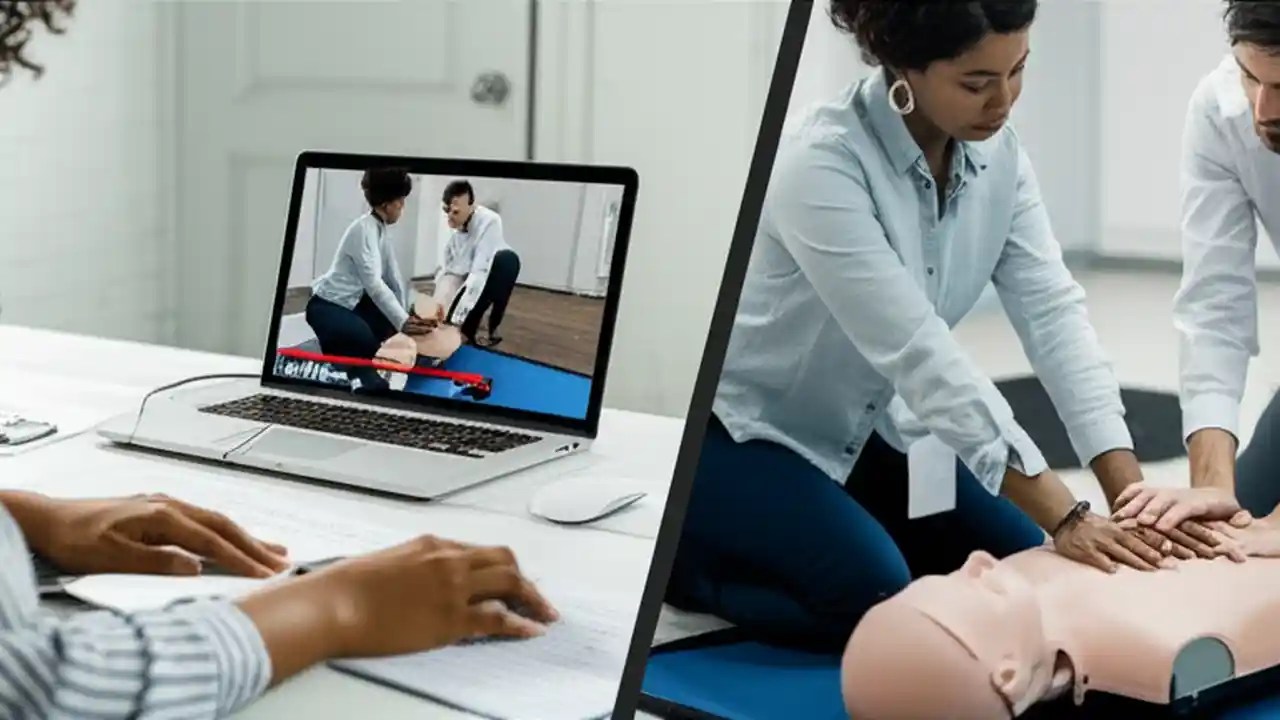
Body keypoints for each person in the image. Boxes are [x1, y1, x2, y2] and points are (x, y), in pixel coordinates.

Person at [1, 8, 556, 718]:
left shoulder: (407, 234)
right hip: (331, 309)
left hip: (380, 305)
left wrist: (25, 520)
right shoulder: (363, 233)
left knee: (395, 345)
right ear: (388, 201)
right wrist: (339, 604)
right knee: (359, 365)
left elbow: (395, 285)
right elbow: (41, 692)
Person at [663, 0, 1182, 654]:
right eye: (977, 82)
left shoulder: (1001, 160)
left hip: (871, 429)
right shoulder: (819, 166)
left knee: (1024, 565)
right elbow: (919, 352)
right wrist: (1069, 513)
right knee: (876, 595)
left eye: (1018, 70)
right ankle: (683, 564)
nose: (1005, 100)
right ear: (904, 66)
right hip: (743, 433)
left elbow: (1055, 319)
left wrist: (1130, 501)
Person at [841, 512, 1280, 719]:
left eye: (952, 574)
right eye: (975, 587)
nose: (978, 562)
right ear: (1008, 675)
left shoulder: (1023, 590)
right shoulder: (1153, 652)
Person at [1110, 0, 1280, 537]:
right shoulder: (1220, 108)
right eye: (1251, 75)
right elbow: (1215, 309)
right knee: (1231, 535)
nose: (1262, 109)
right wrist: (1213, 488)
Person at [307, 168, 440, 393]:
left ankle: (355, 351)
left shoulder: (380, 230)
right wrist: (402, 322)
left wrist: (406, 317)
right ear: (387, 204)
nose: (402, 207)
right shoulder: (363, 230)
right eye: (400, 202)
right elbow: (375, 285)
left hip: (353, 305)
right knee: (365, 344)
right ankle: (351, 372)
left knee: (388, 322)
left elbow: (393, 278)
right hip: (326, 308)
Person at [436, 180, 521, 347]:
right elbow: (450, 274)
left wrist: (457, 321)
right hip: (477, 267)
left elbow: (479, 273)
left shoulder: (490, 221)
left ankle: (490, 330)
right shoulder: (455, 234)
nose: (450, 217)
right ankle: (469, 329)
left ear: (471, 205)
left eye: (455, 212)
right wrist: (437, 310)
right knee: (456, 292)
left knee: (491, 287)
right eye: (447, 212)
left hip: (502, 263)